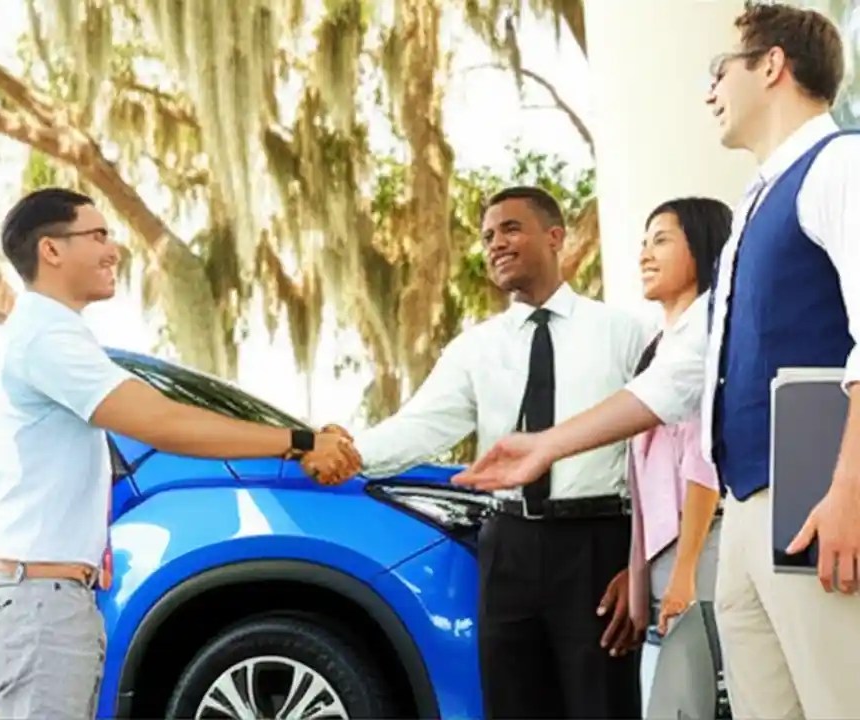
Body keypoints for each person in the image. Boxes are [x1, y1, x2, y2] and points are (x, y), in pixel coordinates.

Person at [454, 4, 860, 719]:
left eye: (719, 71)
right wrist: (545, 446)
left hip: (813, 501)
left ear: (771, 66)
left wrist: (849, 492)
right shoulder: (753, 211)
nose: (709, 92)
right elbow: (677, 380)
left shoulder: (841, 166)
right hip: (749, 516)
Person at [0, 187, 358, 719]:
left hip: (39, 596)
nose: (114, 249)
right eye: (98, 234)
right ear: (51, 250)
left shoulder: (25, 338)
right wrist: (299, 441)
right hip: (39, 601)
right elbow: (163, 422)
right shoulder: (44, 336)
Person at [305, 186, 652, 719]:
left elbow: (657, 447)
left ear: (555, 237)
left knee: (601, 706)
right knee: (512, 705)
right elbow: (420, 428)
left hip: (597, 547)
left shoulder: (625, 333)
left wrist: (640, 563)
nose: (496, 244)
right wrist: (339, 453)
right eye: (488, 236)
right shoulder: (475, 348)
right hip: (508, 547)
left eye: (511, 229)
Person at [628, 197, 731, 716]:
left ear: (702, 248)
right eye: (644, 241)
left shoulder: (708, 341)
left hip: (704, 548)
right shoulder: (655, 348)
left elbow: (703, 465)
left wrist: (686, 570)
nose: (644, 253)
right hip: (668, 559)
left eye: (661, 240)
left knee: (703, 700)